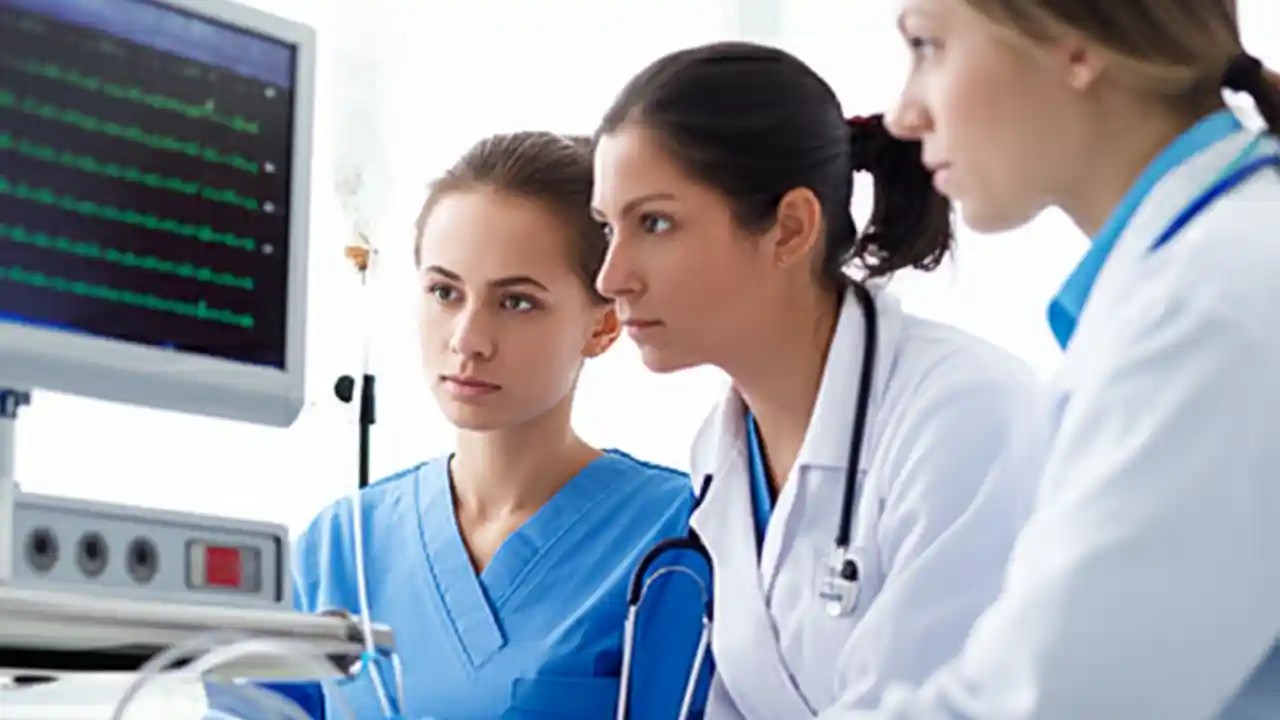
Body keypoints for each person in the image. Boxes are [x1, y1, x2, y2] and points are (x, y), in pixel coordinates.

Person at [828, 2, 1280, 718]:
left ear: (1079, 47)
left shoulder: (1213, 305)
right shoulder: (1204, 271)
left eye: (929, 47)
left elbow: (1052, 702)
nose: (905, 115)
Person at [590, 41, 1047, 718]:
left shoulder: (966, 416)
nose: (611, 277)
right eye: (607, 227)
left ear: (790, 227)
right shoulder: (719, 460)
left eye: (655, 223)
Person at [280, 131, 694, 719]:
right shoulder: (339, 548)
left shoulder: (676, 539)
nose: (467, 341)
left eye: (516, 302)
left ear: (602, 328)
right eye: (445, 292)